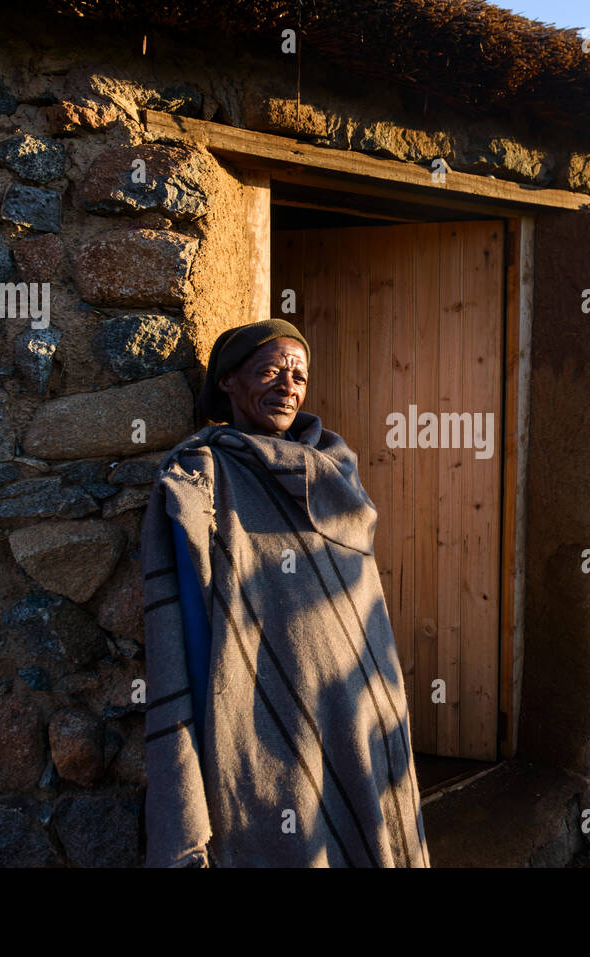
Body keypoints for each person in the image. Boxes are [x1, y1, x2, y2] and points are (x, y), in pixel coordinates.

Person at [141, 317, 430, 867]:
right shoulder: (208, 472)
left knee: (364, 815)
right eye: (270, 370)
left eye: (298, 374)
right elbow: (196, 612)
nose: (288, 385)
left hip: (354, 691)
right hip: (257, 694)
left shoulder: (335, 470)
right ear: (227, 382)